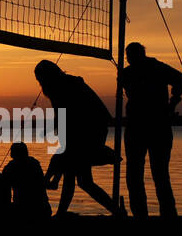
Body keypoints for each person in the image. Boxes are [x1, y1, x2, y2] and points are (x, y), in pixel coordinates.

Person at [33, 60, 122, 216]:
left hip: (90, 130)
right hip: (89, 129)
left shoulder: (61, 88)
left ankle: (61, 212)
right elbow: (64, 121)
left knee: (74, 172)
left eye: (40, 79)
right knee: (83, 180)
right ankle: (117, 211)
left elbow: (68, 119)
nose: (39, 83)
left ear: (47, 77)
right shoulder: (65, 84)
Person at [120, 42, 182, 218]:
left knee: (149, 174)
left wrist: (173, 102)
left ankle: (154, 214)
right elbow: (180, 79)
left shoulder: (138, 71)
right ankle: (158, 213)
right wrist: (173, 101)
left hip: (148, 127)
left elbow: (180, 79)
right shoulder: (137, 71)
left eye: (129, 56)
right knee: (150, 174)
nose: (128, 59)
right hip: (148, 126)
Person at [1, 141, 51, 219]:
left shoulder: (9, 168)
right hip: (43, 207)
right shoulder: (35, 163)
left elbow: (6, 193)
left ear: (12, 153)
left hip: (21, 209)